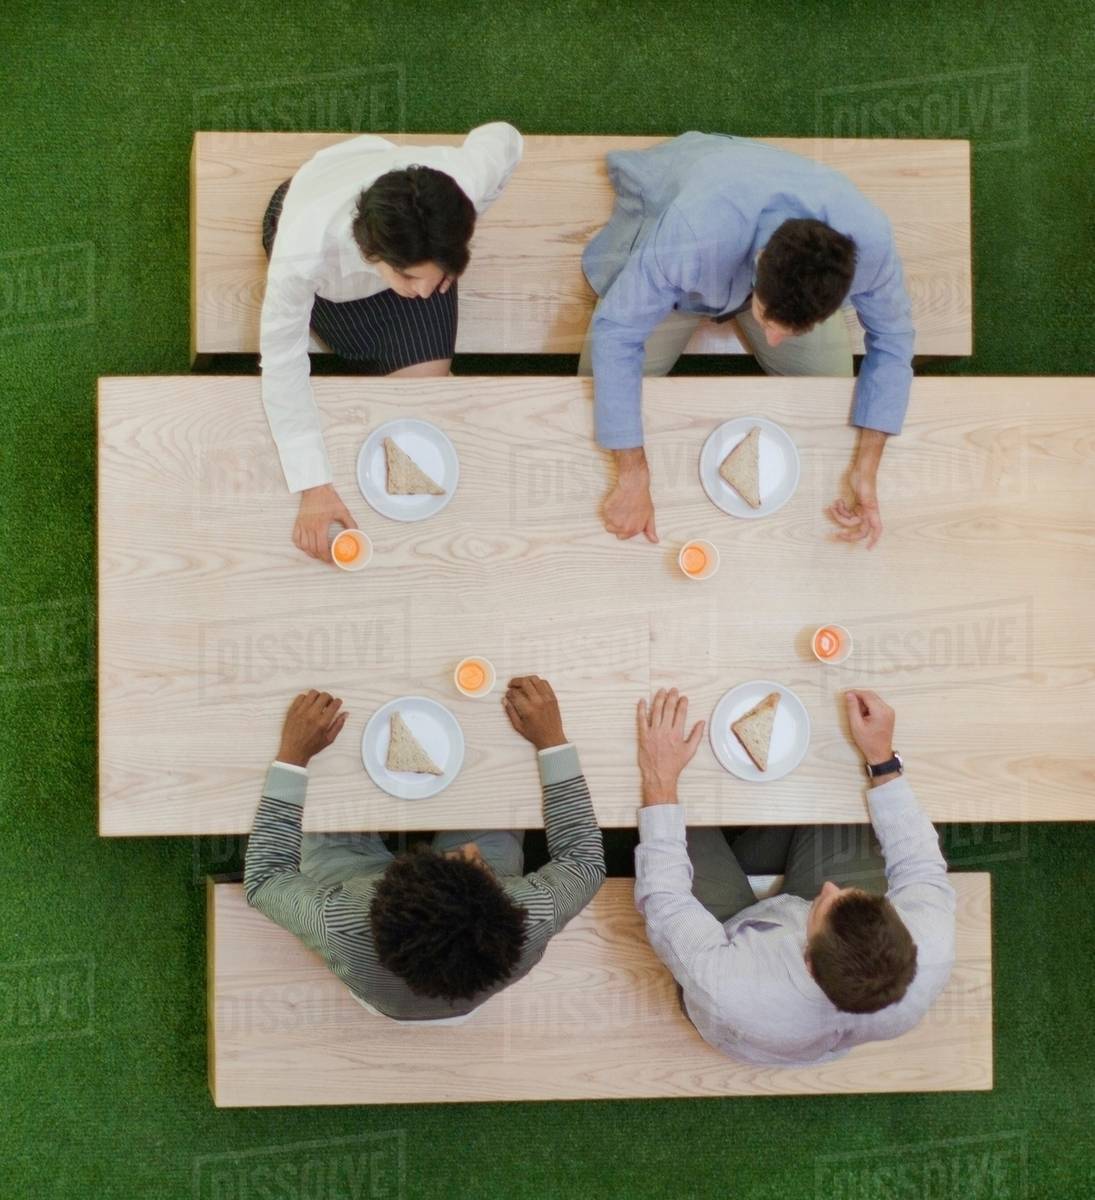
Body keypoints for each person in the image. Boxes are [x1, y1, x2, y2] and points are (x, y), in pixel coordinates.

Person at [579, 133, 915, 550]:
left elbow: (894, 338)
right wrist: (634, 474)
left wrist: (867, 463)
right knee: (595, 380)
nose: (772, 342)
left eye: (791, 331)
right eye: (766, 321)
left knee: (833, 397)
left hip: (757, 257)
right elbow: (618, 331)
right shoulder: (693, 231)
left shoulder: (870, 244)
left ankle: (781, 317)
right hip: (694, 237)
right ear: (759, 265)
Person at [244, 677, 604, 1022]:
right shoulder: (531, 918)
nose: (471, 846)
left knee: (326, 803)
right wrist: (552, 742)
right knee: (495, 790)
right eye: (478, 865)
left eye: (461, 859)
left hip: (370, 916)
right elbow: (585, 863)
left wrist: (292, 757)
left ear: (391, 878)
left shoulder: (339, 922)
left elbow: (264, 878)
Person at [633, 686, 955, 1066]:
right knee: (843, 782)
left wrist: (660, 778)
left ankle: (742, 849)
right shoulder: (931, 944)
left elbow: (664, 898)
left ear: (806, 960)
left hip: (728, 943)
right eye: (854, 894)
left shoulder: (727, 987)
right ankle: (759, 848)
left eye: (823, 906)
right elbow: (918, 863)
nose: (830, 888)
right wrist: (882, 758)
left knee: (677, 817)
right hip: (792, 958)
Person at [260, 122, 523, 563]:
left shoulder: (458, 180)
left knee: (424, 400)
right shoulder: (302, 250)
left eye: (430, 276)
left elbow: (506, 138)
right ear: (374, 254)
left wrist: (453, 248)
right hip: (322, 259)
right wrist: (314, 484)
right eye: (409, 278)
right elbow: (282, 359)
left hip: (412, 225)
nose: (423, 292)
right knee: (392, 397)